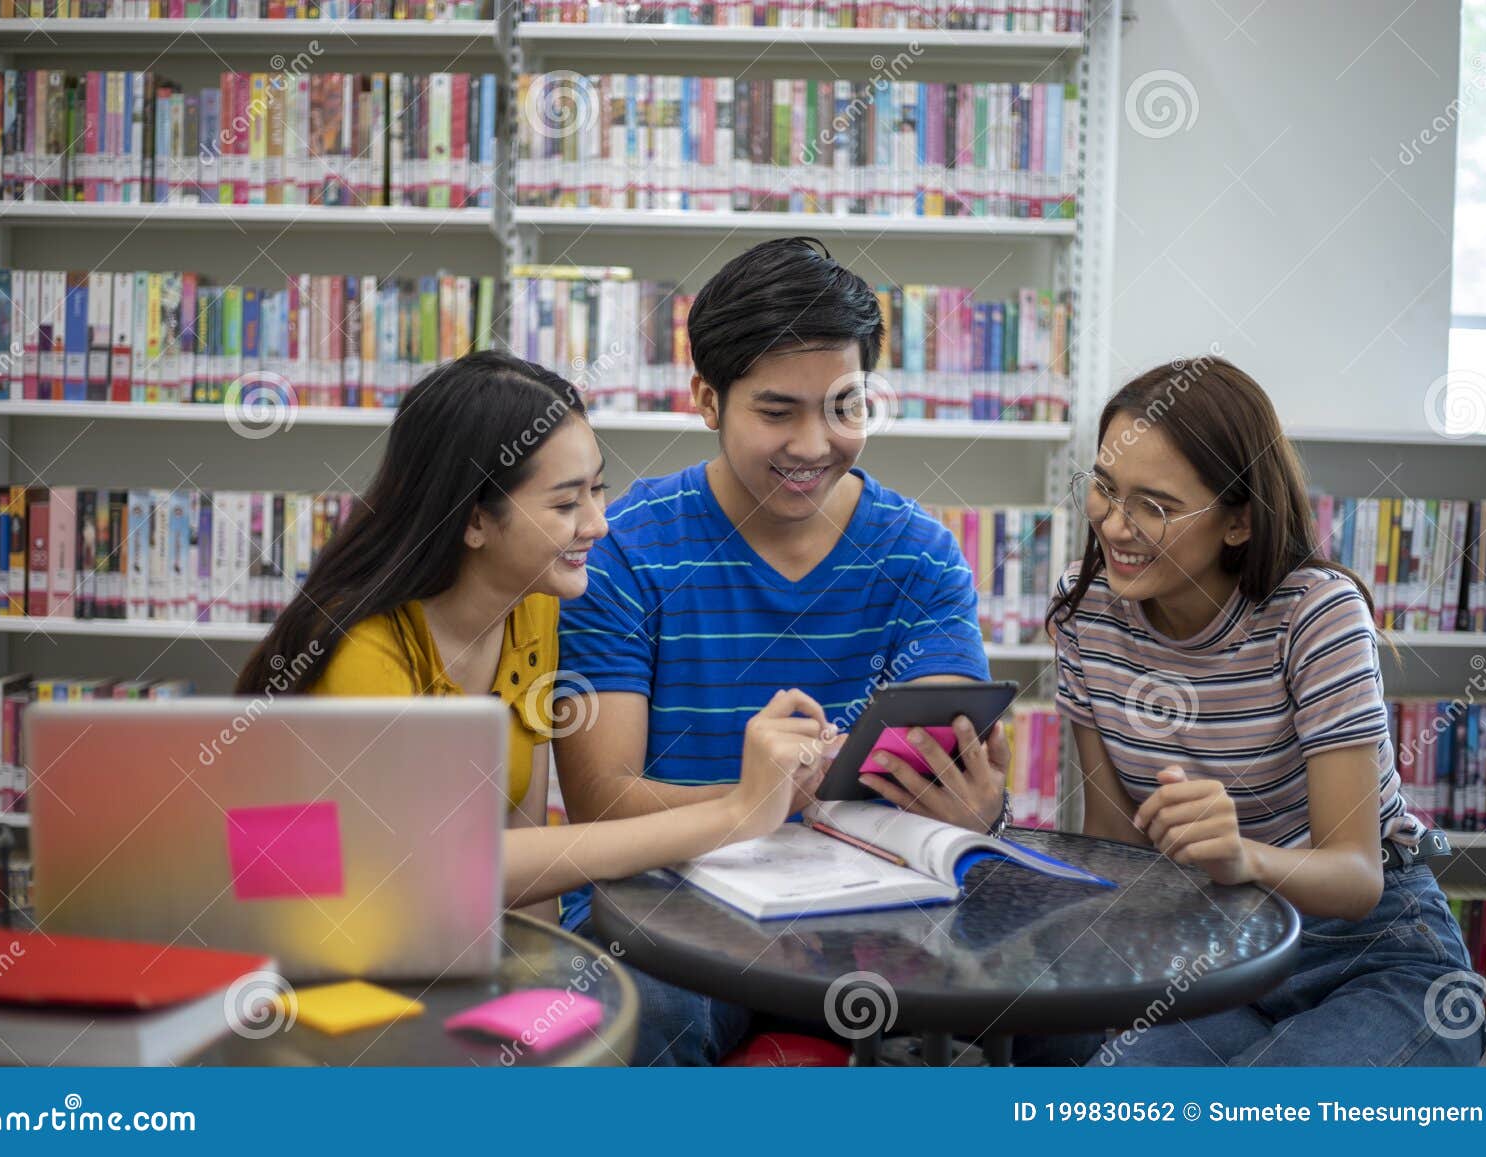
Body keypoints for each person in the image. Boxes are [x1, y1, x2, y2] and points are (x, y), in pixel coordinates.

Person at [554, 237, 1011, 1065]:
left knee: (986, 1029)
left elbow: (937, 755)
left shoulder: (922, 556)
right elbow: (599, 805)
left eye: (843, 405)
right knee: (650, 1017)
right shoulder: (624, 551)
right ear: (706, 398)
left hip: (867, 912)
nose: (814, 443)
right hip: (666, 912)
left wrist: (972, 809)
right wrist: (752, 794)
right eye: (777, 411)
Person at [236, 350, 836, 950]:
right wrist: (733, 815)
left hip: (441, 946)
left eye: (598, 490)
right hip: (312, 953)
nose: (600, 524)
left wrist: (539, 994)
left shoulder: (532, 603)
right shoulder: (362, 651)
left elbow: (530, 843)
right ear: (474, 521)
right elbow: (437, 868)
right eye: (566, 503)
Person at [1050, 355, 1485, 1067]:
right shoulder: (1085, 610)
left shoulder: (1315, 615)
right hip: (1209, 953)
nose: (1115, 525)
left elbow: (1356, 874)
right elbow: (1115, 841)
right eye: (1103, 487)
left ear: (1239, 523)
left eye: (1153, 505)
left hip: (1370, 950)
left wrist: (1240, 855)